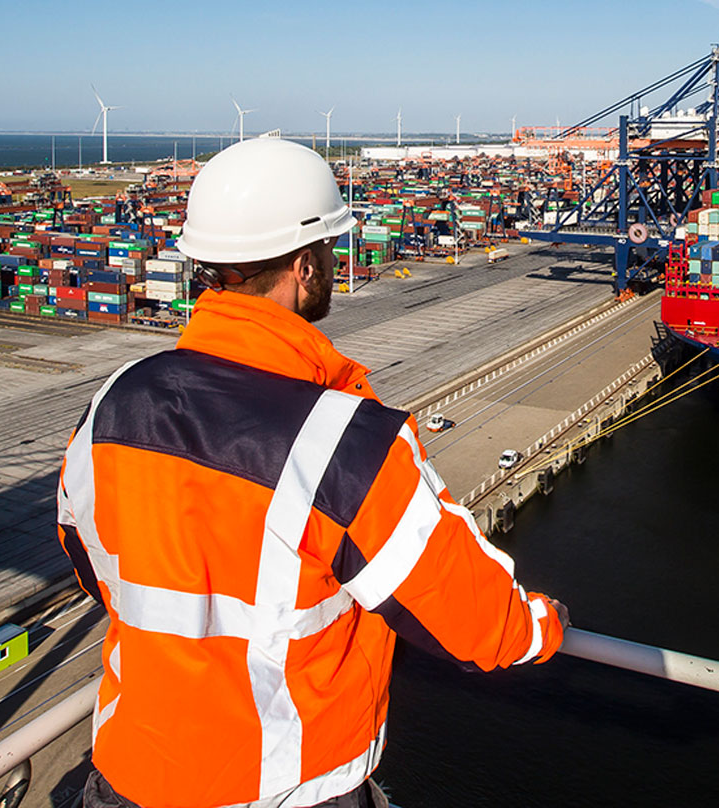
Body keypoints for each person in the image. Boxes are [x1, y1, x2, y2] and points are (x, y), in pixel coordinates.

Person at [58, 137, 567, 808]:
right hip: (280, 788)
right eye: (329, 250)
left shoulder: (115, 401)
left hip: (129, 780)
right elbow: (478, 622)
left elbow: (85, 558)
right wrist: (544, 625)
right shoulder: (344, 441)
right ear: (304, 265)